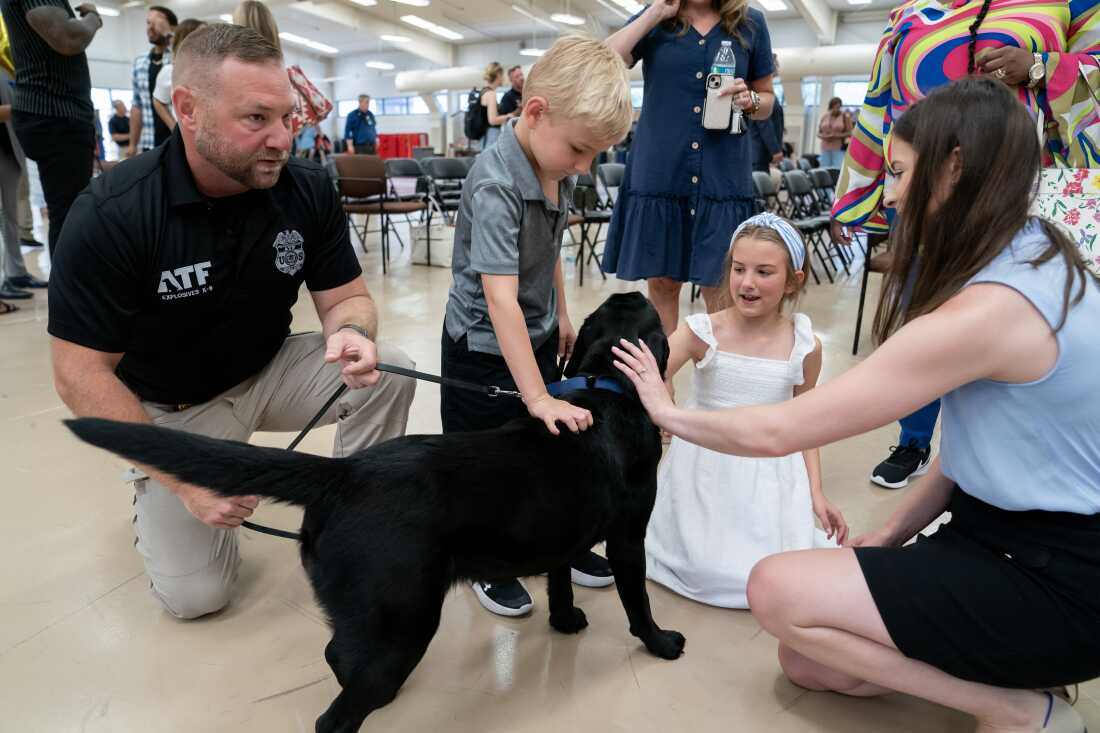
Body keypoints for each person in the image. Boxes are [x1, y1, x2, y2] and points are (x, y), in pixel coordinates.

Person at [614, 78, 1100, 733]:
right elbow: (970, 449)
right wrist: (892, 533)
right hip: (996, 537)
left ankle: (1019, 709)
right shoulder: (1039, 254)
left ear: (953, 168)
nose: (889, 194)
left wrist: (665, 411)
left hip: (1058, 573)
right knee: (808, 662)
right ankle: (1013, 673)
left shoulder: (990, 311)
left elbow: (785, 428)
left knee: (773, 589)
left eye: (898, 172)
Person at [47, 24, 417, 620]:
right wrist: (182, 474)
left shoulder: (305, 189)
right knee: (197, 600)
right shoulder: (114, 213)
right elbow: (78, 374)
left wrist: (352, 332)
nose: (282, 139)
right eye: (256, 119)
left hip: (268, 369)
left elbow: (347, 297)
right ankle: (150, 487)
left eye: (287, 117)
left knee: (391, 369)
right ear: (189, 110)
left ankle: (358, 517)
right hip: (177, 410)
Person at [831, 0, 1100, 491]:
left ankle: (1009, 455)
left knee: (1013, 321)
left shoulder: (1069, 3)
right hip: (925, 200)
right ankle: (914, 441)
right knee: (921, 317)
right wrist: (855, 194)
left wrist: (1040, 67)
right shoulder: (911, 13)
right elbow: (878, 104)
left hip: (1014, 195)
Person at [440, 35, 633, 617]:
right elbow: (500, 301)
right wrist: (537, 395)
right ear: (535, 112)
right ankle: (484, 562)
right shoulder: (496, 183)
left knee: (542, 455)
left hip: (537, 333)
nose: (584, 166)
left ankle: (555, 545)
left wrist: (562, 313)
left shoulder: (557, 164)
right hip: (481, 348)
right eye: (579, 150)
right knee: (483, 466)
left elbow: (548, 250)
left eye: (593, 154)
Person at [645, 213, 845, 609]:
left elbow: (806, 425)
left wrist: (815, 492)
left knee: (766, 572)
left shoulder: (804, 345)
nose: (747, 282)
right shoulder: (702, 331)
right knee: (705, 570)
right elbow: (650, 375)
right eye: (738, 269)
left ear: (793, 281)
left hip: (770, 471)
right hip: (705, 467)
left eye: (764, 272)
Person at [602, 0, 776, 335]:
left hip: (722, 172)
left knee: (720, 287)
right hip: (662, 170)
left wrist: (750, 100)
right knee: (662, 284)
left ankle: (716, 369)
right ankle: (664, 370)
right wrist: (655, 12)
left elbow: (767, 98)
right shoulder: (656, 17)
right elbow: (604, 60)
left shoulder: (750, 22)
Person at [0, 0, 100, 257]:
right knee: (70, 214)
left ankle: (72, 278)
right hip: (56, 114)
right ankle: (71, 282)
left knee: (69, 211)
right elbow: (67, 38)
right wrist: (93, 17)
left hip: (51, 114)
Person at [0, 66, 46, 298]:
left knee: (9, 217)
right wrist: (22, 108)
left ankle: (15, 272)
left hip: (8, 149)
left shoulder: (6, 66)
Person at [128, 6, 177, 156]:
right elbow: (137, 106)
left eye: (156, 22)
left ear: (172, 26)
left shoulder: (179, 55)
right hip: (150, 143)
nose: (150, 27)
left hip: (177, 138)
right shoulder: (139, 62)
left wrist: (169, 34)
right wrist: (132, 144)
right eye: (148, 23)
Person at [151, 18, 203, 132]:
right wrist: (174, 127)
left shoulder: (208, 66)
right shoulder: (170, 70)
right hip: (188, 132)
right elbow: (158, 101)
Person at [749, 55, 784, 174]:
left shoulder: (768, 92)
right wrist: (775, 150)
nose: (777, 68)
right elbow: (764, 123)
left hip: (761, 153)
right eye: (775, 64)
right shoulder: (758, 92)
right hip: (758, 151)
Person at [480, 61, 514, 150]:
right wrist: (508, 116)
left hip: (485, 136)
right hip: (491, 135)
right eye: (502, 75)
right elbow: (492, 120)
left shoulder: (483, 91)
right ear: (498, 75)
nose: (503, 78)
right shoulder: (491, 94)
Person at [816, 96, 850, 168]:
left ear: (840, 107)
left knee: (837, 169)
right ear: (830, 107)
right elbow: (818, 133)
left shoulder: (845, 117)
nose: (835, 109)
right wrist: (824, 136)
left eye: (837, 107)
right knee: (824, 169)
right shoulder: (825, 116)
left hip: (838, 147)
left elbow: (850, 133)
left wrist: (836, 135)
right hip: (825, 147)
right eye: (833, 107)